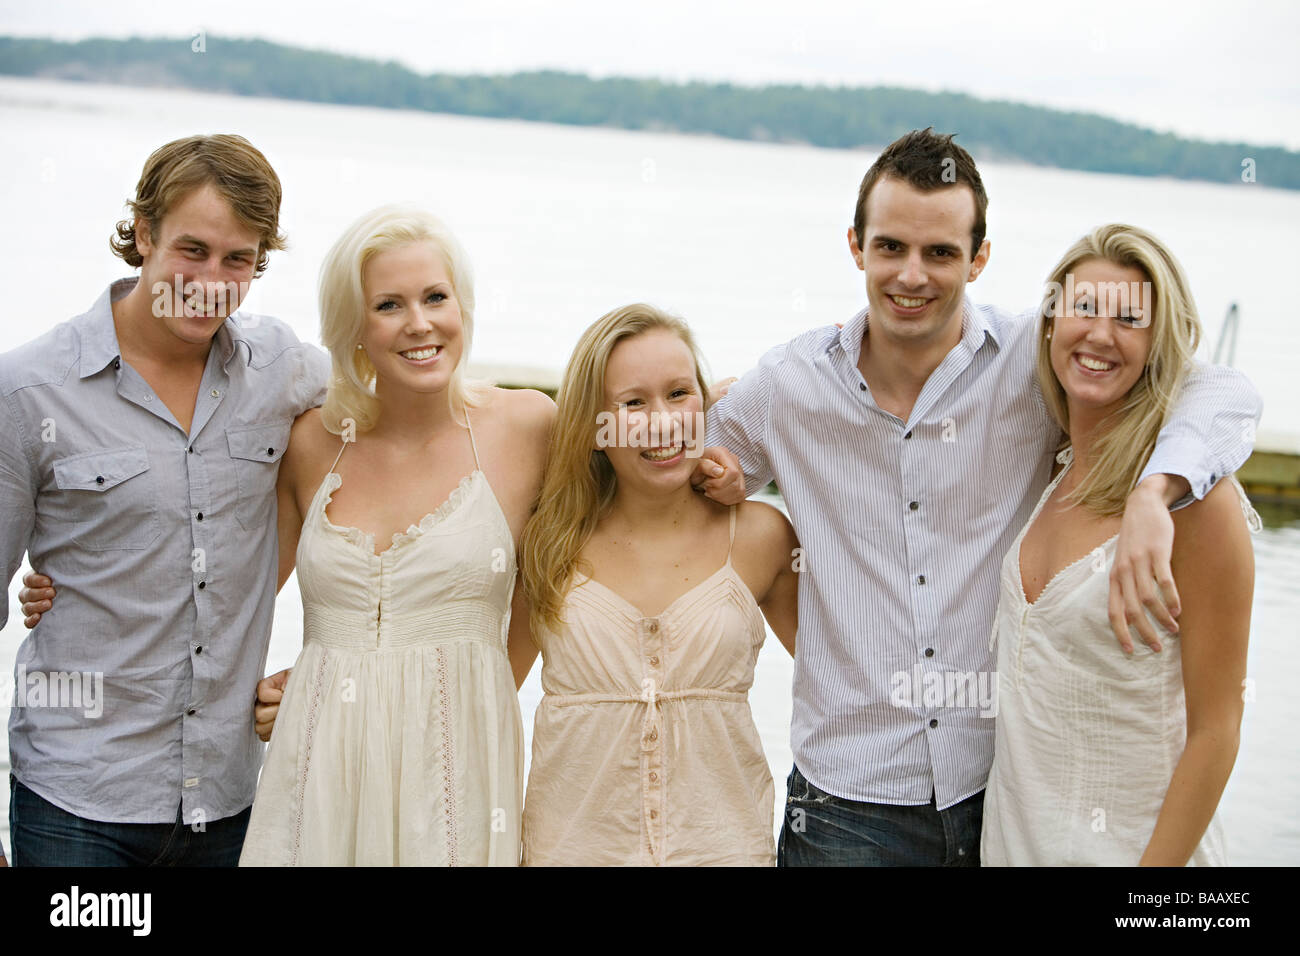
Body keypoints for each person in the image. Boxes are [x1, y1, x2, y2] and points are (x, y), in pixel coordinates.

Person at [705, 128, 1262, 866]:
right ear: (856, 246)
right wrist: (674, 401)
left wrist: (1155, 494)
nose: (913, 274)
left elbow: (1222, 389)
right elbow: (665, 460)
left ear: (979, 258)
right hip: (846, 810)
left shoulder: (1036, 362)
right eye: (891, 246)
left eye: (940, 253)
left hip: (991, 798)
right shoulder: (787, 386)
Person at [0, 134, 329, 866]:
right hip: (76, 803)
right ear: (143, 233)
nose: (211, 281)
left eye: (237, 260)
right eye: (192, 250)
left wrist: (327, 669)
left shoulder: (285, 371)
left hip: (230, 802)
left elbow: (401, 442)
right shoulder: (27, 391)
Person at [237, 205, 554, 866]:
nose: (420, 323)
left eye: (436, 297)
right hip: (317, 768)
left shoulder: (528, 428)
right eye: (389, 304)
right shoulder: (310, 442)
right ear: (353, 329)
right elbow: (230, 604)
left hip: (458, 774)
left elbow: (568, 585)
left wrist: (718, 428)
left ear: (462, 305)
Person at [980, 224, 1256, 866]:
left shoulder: (1196, 506)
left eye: (1131, 318)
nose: (1101, 334)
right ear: (1049, 326)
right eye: (1083, 308)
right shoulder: (1048, 473)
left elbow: (1216, 732)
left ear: (1158, 345)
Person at [515, 304, 799, 866]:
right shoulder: (547, 542)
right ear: (594, 427)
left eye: (678, 393)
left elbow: (842, 682)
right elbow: (484, 690)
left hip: (724, 851)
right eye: (633, 402)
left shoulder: (761, 536)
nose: (664, 422)